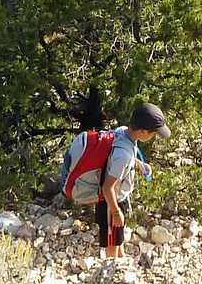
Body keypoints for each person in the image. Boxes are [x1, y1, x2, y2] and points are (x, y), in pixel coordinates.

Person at [59, 102, 170, 258]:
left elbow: (118, 156)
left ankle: (121, 258)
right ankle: (112, 267)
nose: (153, 137)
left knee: (118, 235)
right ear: (144, 132)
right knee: (112, 239)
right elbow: (107, 187)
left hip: (116, 200)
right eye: (154, 134)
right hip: (110, 203)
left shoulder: (122, 132)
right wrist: (116, 212)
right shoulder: (122, 156)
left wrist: (139, 164)